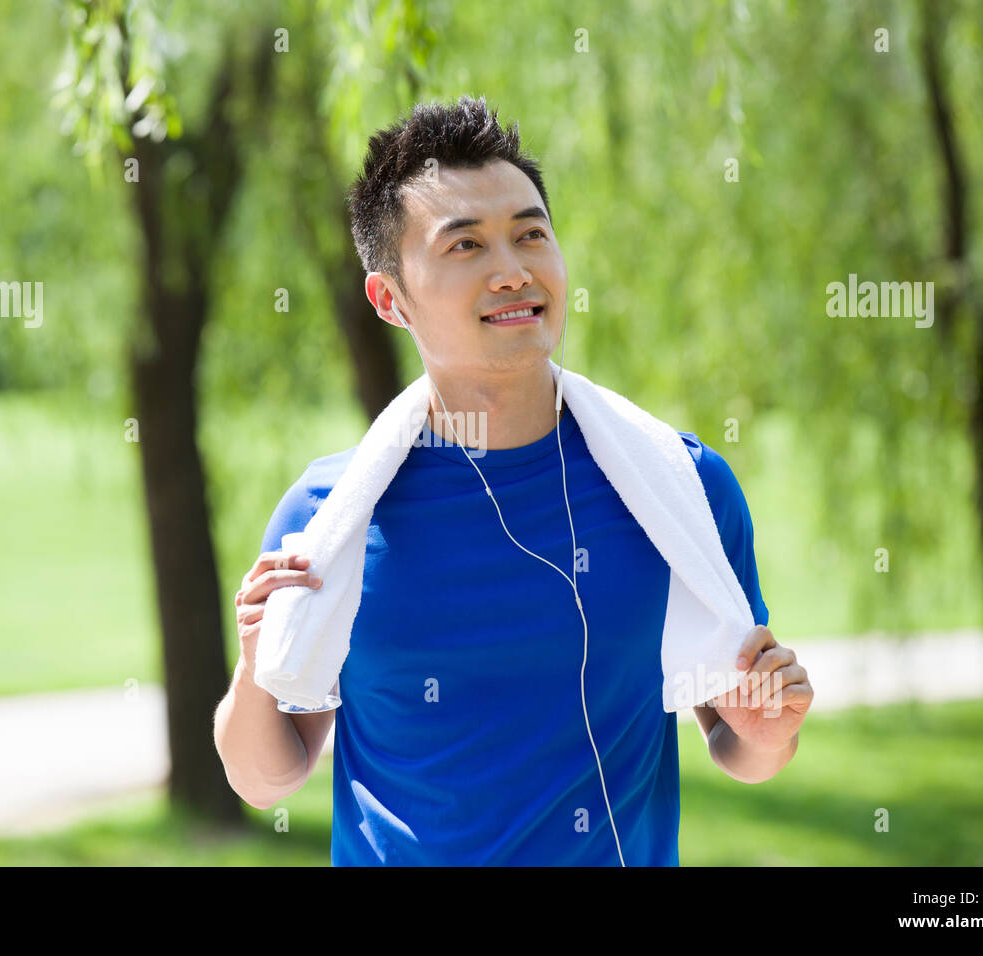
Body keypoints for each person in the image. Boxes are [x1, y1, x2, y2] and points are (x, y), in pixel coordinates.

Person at [214, 95, 812, 865]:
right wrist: (256, 663)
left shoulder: (675, 487)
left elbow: (740, 743)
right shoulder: (330, 518)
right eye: (465, 247)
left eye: (530, 234)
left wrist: (771, 730)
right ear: (390, 298)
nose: (513, 272)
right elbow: (266, 777)